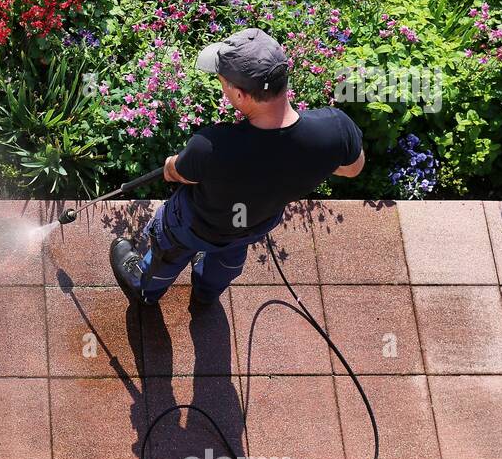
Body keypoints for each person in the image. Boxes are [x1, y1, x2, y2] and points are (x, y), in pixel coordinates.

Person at [111, 27, 365, 307]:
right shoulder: (336, 129)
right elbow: (352, 168)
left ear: (241, 95)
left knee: (168, 252)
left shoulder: (210, 147)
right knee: (228, 258)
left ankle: (145, 289)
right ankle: (206, 295)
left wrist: (172, 164)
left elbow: (177, 173)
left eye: (223, 83)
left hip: (196, 224)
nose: (222, 88)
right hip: (252, 223)